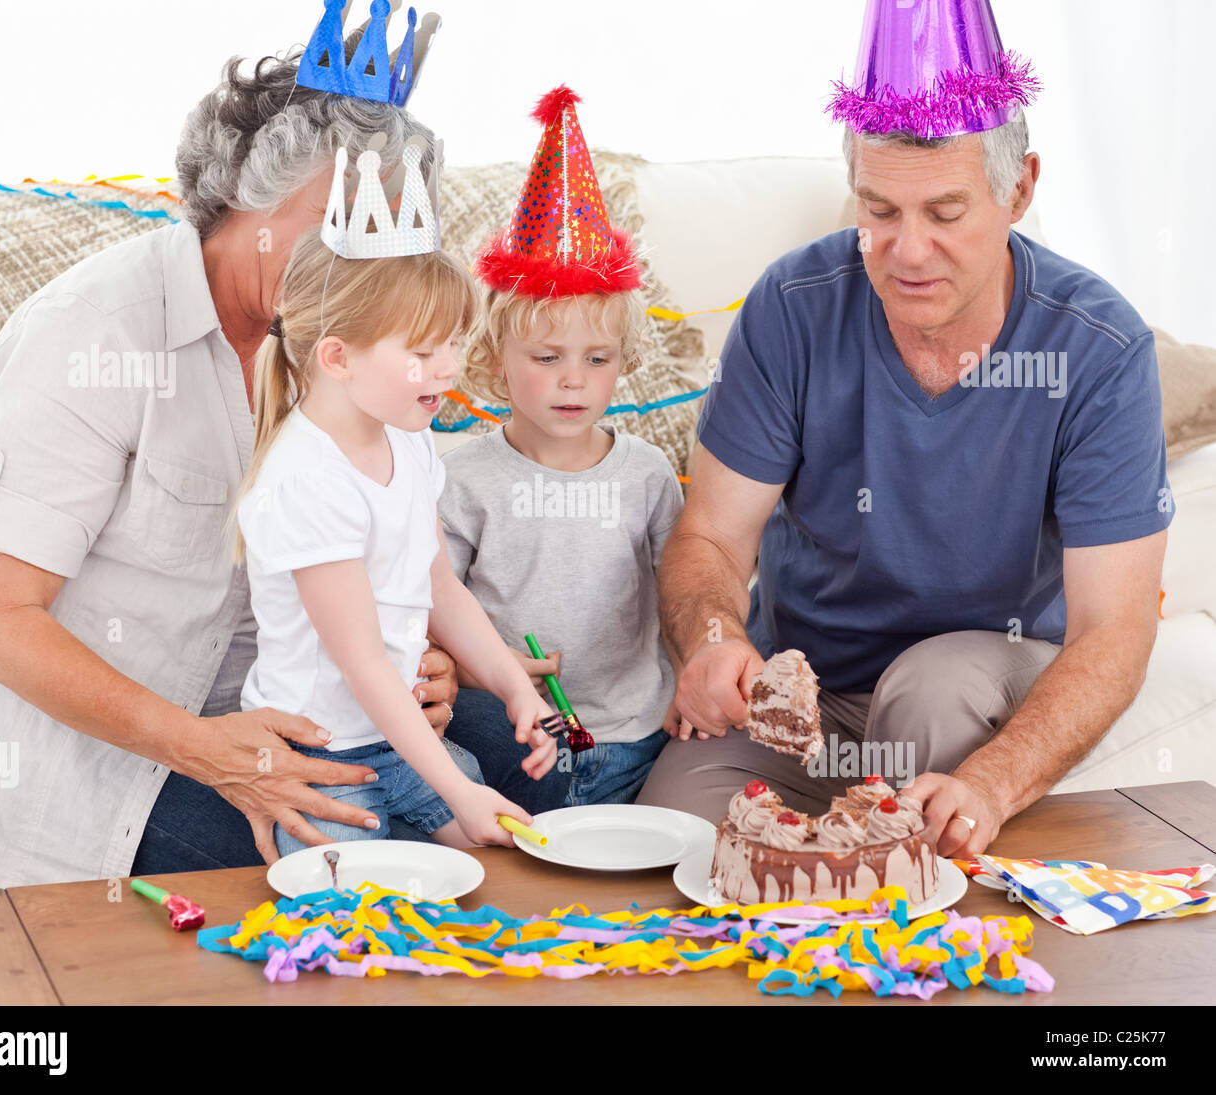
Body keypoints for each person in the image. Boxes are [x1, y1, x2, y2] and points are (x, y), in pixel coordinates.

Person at [0, 21, 463, 893]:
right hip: (74, 773)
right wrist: (207, 751)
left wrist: (407, 661)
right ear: (254, 199)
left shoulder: (358, 342)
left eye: (386, 231)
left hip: (268, 728)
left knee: (486, 810)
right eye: (342, 225)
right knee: (379, 879)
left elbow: (378, 563)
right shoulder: (93, 332)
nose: (366, 263)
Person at [637, 0, 1172, 858]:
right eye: (880, 211)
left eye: (945, 213)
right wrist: (715, 641)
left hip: (979, 685)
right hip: (807, 701)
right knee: (675, 838)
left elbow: (1115, 630)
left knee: (931, 691)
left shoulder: (1100, 348)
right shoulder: (791, 306)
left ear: (1020, 189)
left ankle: (902, 894)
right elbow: (709, 537)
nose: (908, 251)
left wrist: (994, 780)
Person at [234, 142, 557, 854]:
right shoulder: (307, 480)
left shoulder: (407, 437)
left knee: (497, 860)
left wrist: (510, 683)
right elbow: (366, 663)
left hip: (393, 736)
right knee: (366, 919)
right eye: (423, 351)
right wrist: (457, 788)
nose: (449, 367)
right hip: (313, 757)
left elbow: (438, 584)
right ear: (338, 357)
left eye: (454, 343)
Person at [439, 88, 685, 812]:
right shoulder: (464, 477)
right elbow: (430, 601)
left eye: (598, 359)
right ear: (493, 356)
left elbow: (679, 597)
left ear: (625, 359)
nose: (574, 380)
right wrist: (486, 665)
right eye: (547, 357)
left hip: (637, 736)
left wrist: (689, 676)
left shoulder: (645, 475)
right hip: (515, 735)